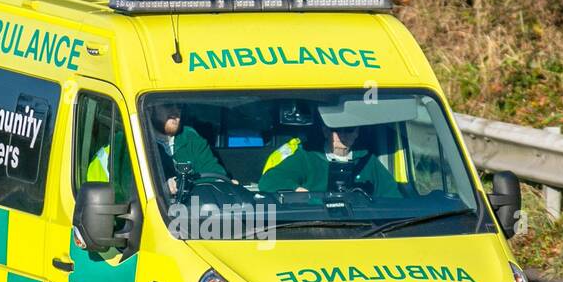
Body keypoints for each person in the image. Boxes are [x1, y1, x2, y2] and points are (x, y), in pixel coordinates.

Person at [258, 119, 400, 197]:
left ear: (357, 133)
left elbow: (393, 199)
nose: (343, 136)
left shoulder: (368, 161)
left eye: (349, 130)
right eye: (337, 130)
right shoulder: (306, 156)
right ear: (326, 132)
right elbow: (268, 181)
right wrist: (298, 192)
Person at [149, 103, 226, 195]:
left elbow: (215, 174)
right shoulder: (139, 138)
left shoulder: (190, 137)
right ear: (150, 109)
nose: (175, 111)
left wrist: (224, 184)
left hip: (195, 205)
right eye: (167, 105)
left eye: (179, 106)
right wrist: (162, 189)